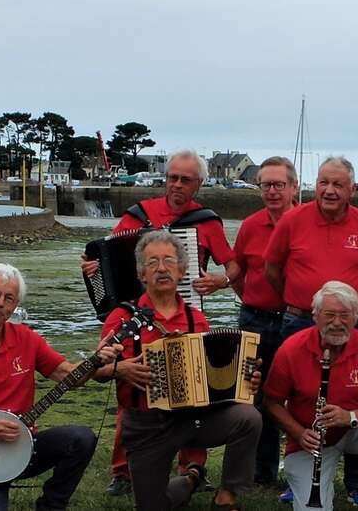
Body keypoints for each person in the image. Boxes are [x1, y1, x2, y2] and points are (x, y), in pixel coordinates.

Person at [82, 148, 239, 495]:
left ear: (199, 184)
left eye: (185, 179)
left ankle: (193, 466)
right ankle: (122, 471)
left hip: (186, 311)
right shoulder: (139, 214)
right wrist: (94, 270)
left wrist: (219, 281)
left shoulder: (207, 221)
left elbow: (233, 266)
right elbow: (102, 253)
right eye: (172, 178)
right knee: (133, 385)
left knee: (193, 386)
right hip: (135, 313)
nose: (177, 185)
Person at [0, 263, 121, 511]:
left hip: (25, 447)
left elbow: (69, 376)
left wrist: (96, 358)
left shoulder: (27, 339)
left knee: (81, 439)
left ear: (15, 305)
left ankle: (51, 505)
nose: (0, 303)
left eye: (9, 298)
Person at [92, 229, 262, 511]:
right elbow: (95, 371)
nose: (161, 269)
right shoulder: (121, 317)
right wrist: (119, 369)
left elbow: (214, 376)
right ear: (141, 274)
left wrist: (244, 378)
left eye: (169, 261)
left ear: (182, 271)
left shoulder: (197, 319)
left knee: (248, 417)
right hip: (146, 424)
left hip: (191, 419)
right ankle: (191, 479)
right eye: (152, 262)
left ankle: (227, 494)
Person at [263, 156, 358, 505]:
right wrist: (304, 299)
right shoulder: (292, 220)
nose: (329, 191)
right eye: (323, 183)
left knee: (356, 397)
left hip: (351, 321)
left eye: (338, 185)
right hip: (300, 318)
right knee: (296, 396)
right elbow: (273, 269)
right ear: (314, 184)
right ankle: (300, 472)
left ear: (351, 189)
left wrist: (345, 306)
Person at [264, 281, 358, 511]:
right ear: (315, 315)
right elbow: (272, 402)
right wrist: (299, 434)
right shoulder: (291, 349)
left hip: (353, 429)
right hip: (310, 440)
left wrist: (349, 416)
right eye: (329, 315)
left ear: (356, 317)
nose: (337, 323)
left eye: (345, 315)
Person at [229, 156, 299, 485]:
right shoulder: (251, 225)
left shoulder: (305, 223)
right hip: (254, 319)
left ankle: (299, 470)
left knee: (295, 395)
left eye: (278, 185)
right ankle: (260, 472)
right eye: (266, 185)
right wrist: (253, 301)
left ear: (294, 188)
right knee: (251, 395)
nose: (272, 191)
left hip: (294, 320)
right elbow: (239, 272)